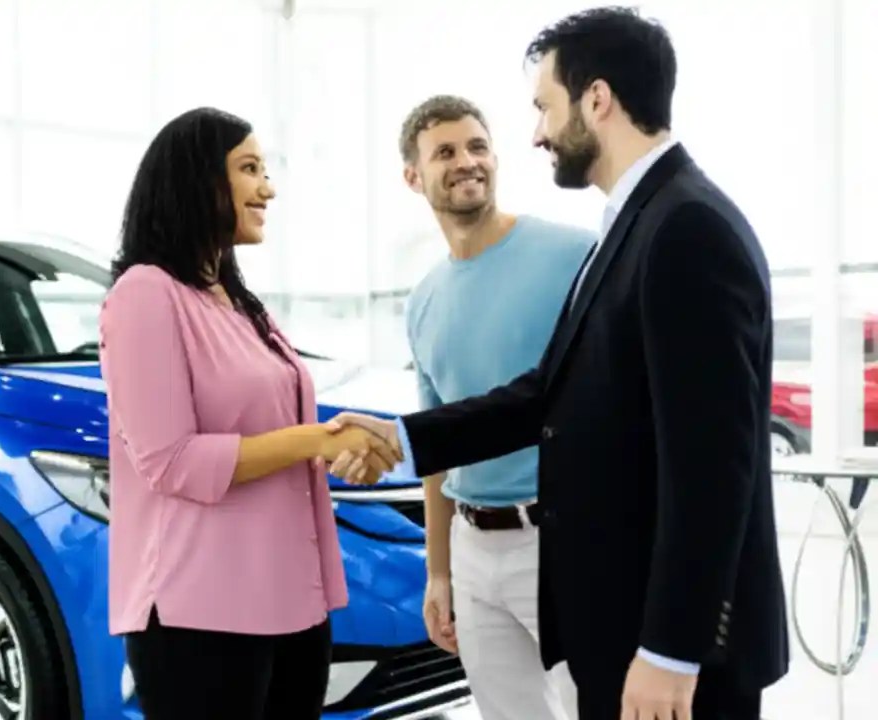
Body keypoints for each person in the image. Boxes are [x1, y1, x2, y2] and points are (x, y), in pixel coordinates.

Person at [330, 8, 789, 719]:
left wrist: (672, 649)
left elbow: (712, 464)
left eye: (545, 106)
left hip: (675, 654)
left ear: (596, 100)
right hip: (624, 619)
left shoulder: (685, 228)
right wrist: (403, 439)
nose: (538, 132)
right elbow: (548, 393)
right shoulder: (636, 226)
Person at [99, 106, 399, 720]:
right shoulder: (145, 295)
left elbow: (276, 423)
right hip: (199, 614)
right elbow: (170, 460)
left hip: (290, 604)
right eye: (250, 168)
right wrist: (313, 440)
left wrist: (336, 445)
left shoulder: (238, 303)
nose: (269, 187)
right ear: (199, 180)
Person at [394, 94, 592, 720]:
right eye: (445, 152)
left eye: (477, 146)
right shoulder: (421, 300)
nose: (466, 162)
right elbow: (438, 454)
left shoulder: (575, 255)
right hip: (474, 550)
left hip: (565, 537)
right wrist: (440, 573)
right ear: (414, 175)